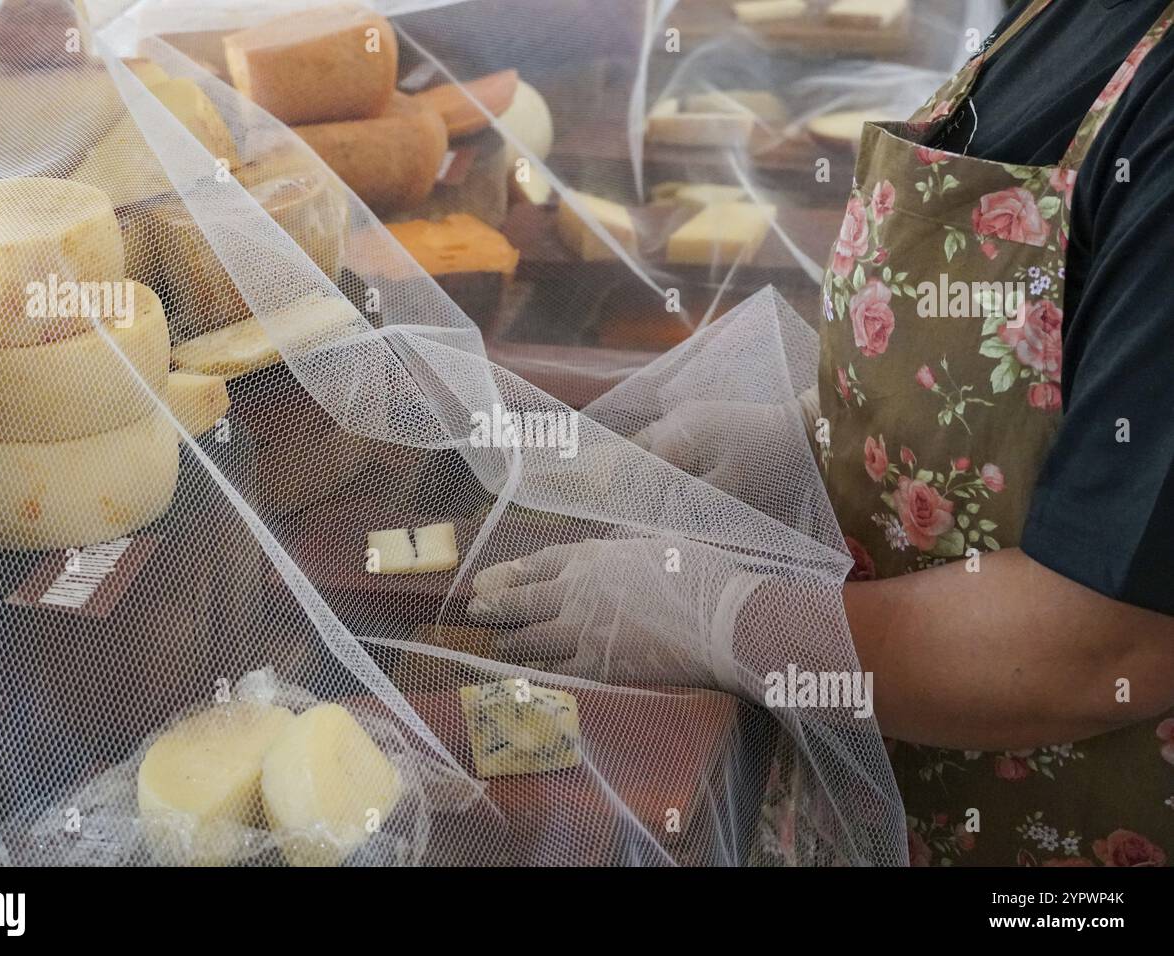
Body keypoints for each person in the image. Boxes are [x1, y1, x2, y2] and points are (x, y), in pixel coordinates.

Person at [470, 0, 1174, 866]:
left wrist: (728, 620)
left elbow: (1104, 639)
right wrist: (819, 440)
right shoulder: (1058, 17)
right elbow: (1040, 372)